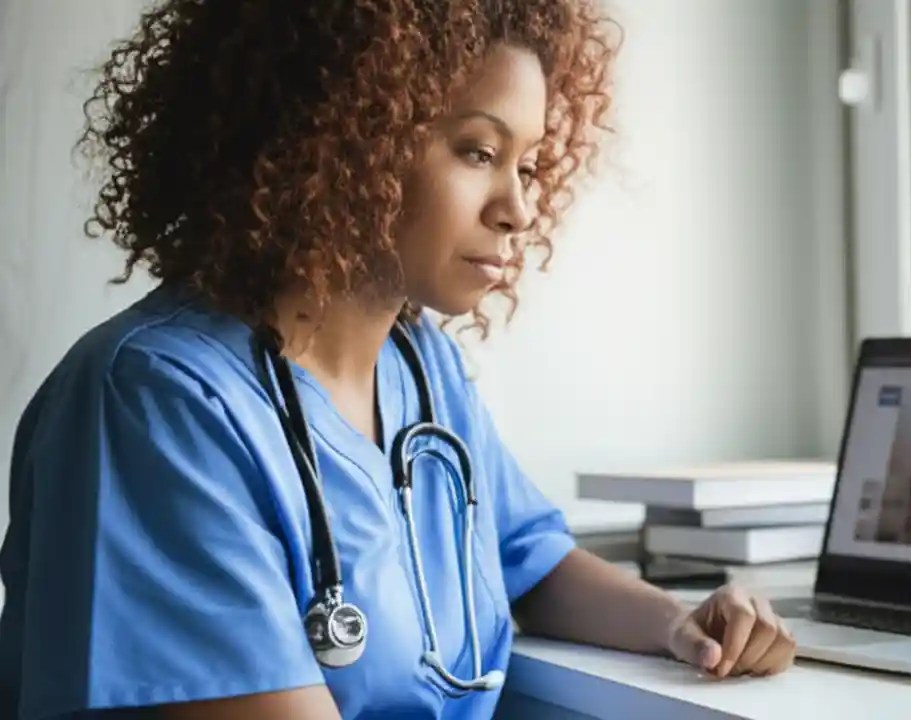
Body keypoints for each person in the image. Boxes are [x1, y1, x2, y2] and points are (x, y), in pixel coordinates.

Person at [0, 2, 795, 718]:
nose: (518, 210)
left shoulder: (423, 374)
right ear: (341, 136)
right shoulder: (153, 403)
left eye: (529, 166)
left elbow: (532, 560)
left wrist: (679, 624)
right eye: (478, 152)